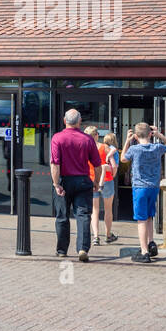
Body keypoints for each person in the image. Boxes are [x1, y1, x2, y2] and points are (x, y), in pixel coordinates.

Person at [50, 109, 102, 262]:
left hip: (64, 181)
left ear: (65, 121)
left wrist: (56, 183)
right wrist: (96, 182)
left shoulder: (57, 138)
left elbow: (55, 164)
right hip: (82, 181)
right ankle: (82, 248)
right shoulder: (87, 139)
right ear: (79, 122)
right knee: (83, 216)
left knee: (62, 216)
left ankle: (61, 250)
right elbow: (97, 166)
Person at [121, 122, 166, 263]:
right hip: (154, 187)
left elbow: (123, 159)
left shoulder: (134, 149)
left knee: (141, 219)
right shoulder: (157, 147)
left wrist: (127, 140)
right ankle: (151, 243)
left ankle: (144, 251)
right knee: (150, 216)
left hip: (140, 187)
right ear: (150, 134)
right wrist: (160, 135)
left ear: (136, 136)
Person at [91, 131, 121, 246]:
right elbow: (113, 166)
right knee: (108, 210)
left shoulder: (87, 148)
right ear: (96, 135)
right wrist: (113, 174)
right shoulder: (105, 148)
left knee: (95, 211)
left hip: (93, 180)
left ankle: (95, 237)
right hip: (107, 181)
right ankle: (108, 235)